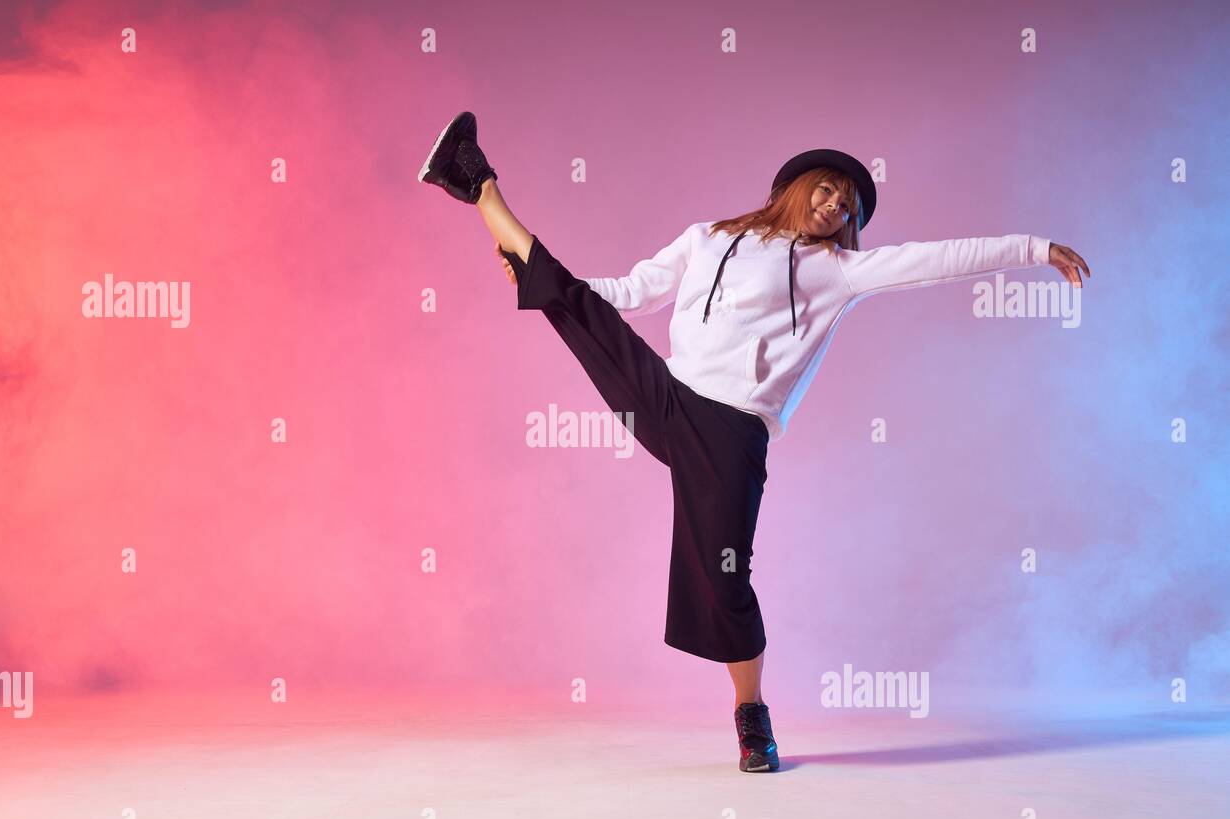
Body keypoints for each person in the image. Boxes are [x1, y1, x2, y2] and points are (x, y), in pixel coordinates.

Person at [419, 110, 1091, 772]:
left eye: (847, 205)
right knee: (575, 303)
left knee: (726, 576)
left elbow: (934, 261)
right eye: (828, 190)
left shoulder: (838, 270)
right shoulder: (707, 237)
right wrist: (554, 287)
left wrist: (1034, 249)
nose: (834, 207)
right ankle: (476, 179)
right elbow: (629, 293)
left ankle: (750, 712)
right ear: (796, 189)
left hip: (732, 427)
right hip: (668, 396)